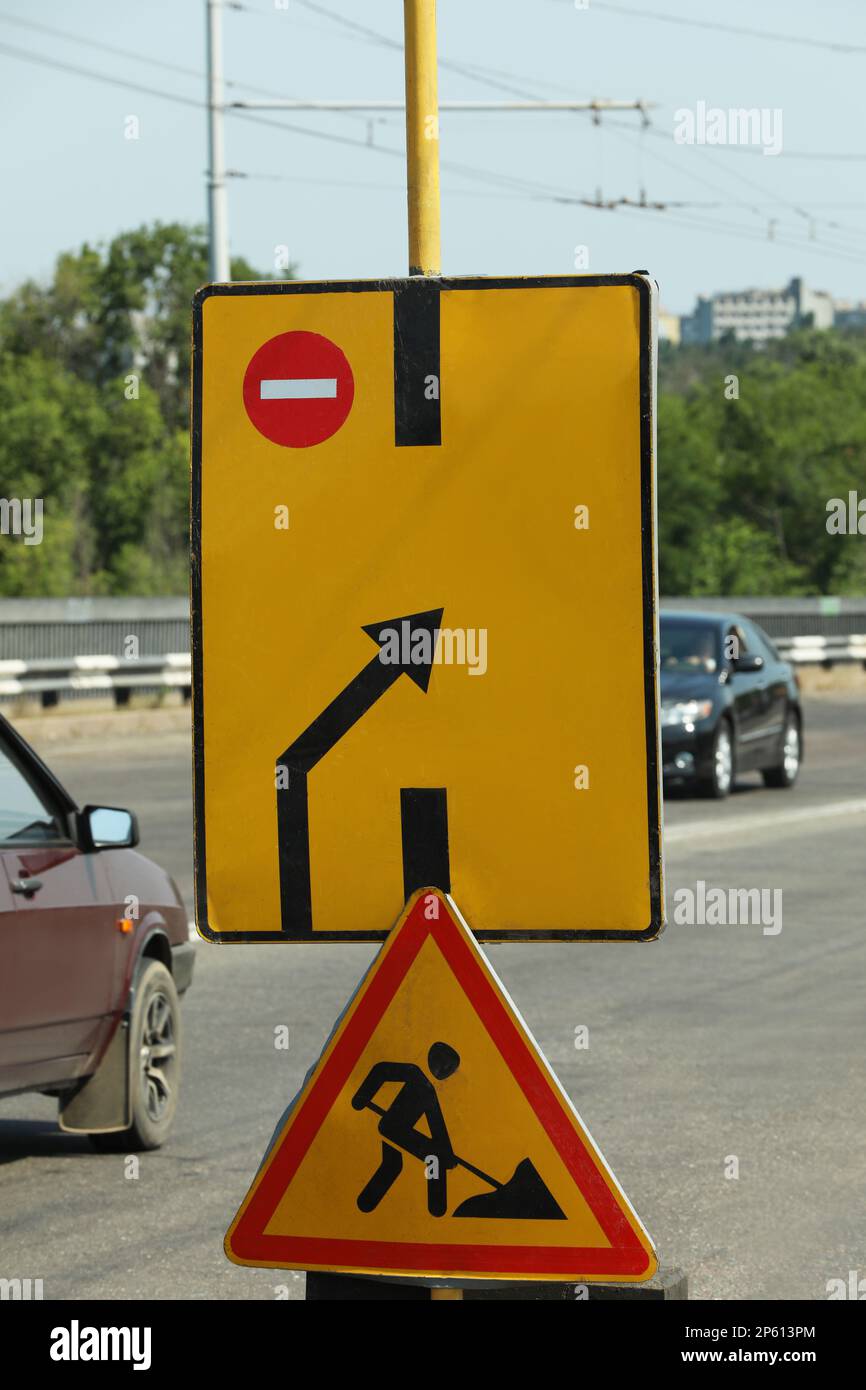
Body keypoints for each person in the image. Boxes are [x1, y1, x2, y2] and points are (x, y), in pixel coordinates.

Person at [351, 1042, 460, 1217]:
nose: (449, 1073)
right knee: (427, 1160)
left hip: (397, 1130)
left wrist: (448, 1156)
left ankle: (365, 1205)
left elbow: (437, 1126)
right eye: (448, 1067)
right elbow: (381, 1071)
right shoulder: (414, 1074)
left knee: (398, 1164)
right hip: (393, 1128)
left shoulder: (428, 1089)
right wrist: (361, 1098)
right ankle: (436, 1207)